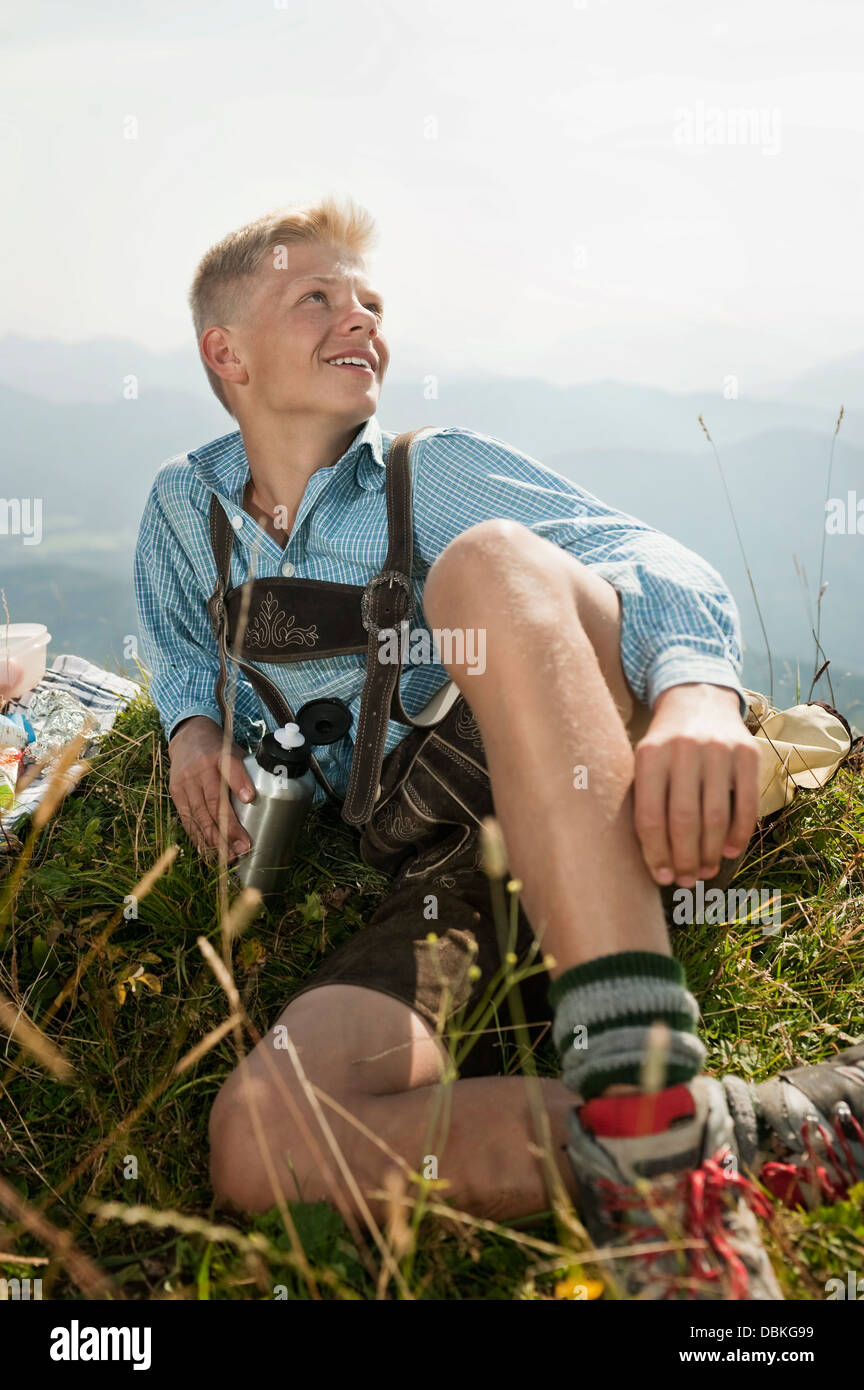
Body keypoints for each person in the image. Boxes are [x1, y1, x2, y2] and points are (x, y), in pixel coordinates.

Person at [134, 197, 863, 1300]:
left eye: (371, 301)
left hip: (591, 780)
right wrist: (192, 727)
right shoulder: (186, 510)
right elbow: (178, 637)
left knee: (484, 564)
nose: (360, 319)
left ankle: (663, 1181)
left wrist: (700, 695)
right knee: (263, 1136)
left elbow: (648, 556)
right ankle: (743, 1131)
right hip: (444, 867)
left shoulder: (433, 469)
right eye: (317, 298)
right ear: (223, 354)